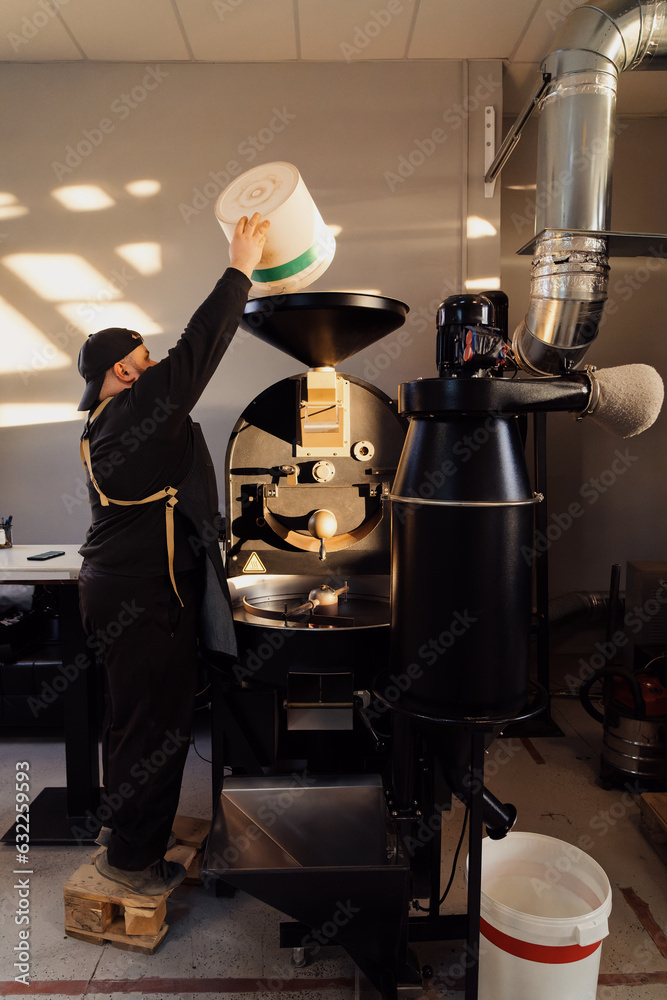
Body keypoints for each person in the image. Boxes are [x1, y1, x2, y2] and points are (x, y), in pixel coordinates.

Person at [77, 212, 269, 895]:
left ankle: (124, 830)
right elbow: (196, 352)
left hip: (129, 589)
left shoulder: (108, 422)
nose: (155, 366)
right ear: (121, 369)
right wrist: (240, 265)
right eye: (143, 359)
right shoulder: (129, 414)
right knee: (152, 727)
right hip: (141, 597)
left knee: (133, 718)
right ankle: (132, 862)